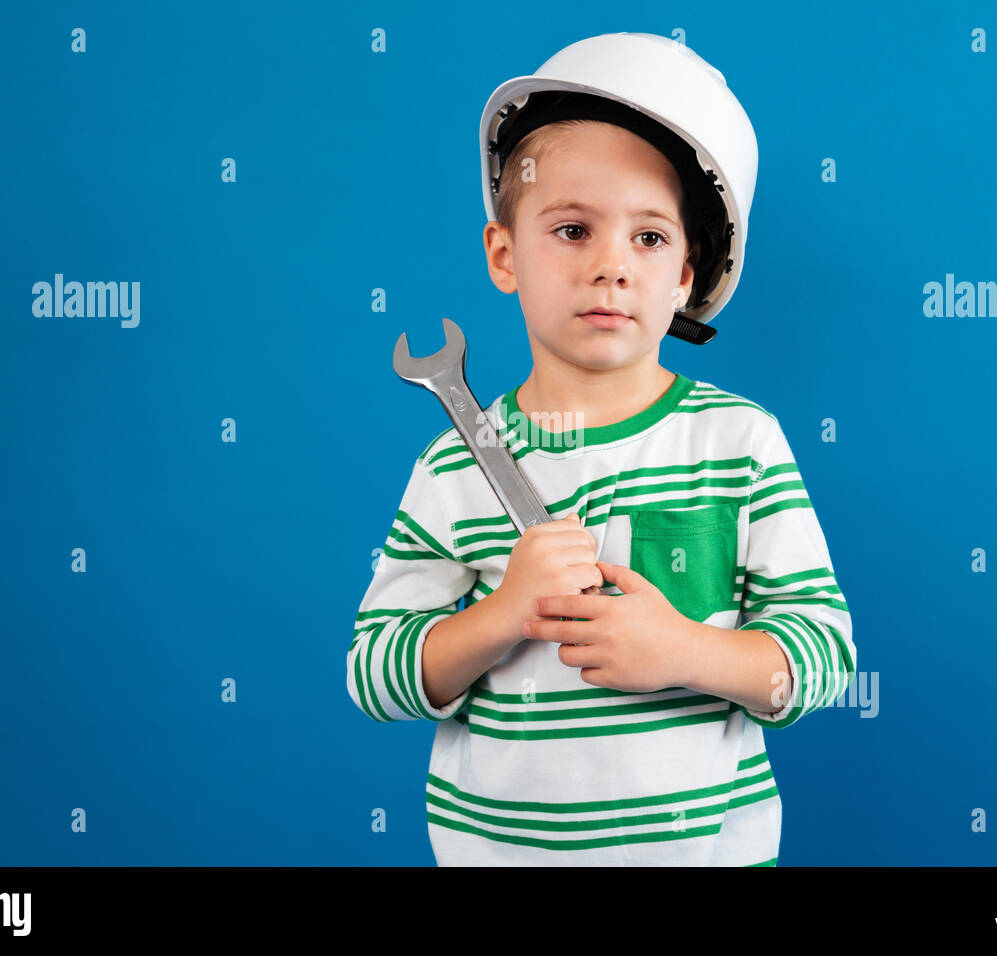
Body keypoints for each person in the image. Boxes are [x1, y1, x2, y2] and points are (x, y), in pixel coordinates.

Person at [348, 32, 855, 866]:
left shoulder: (739, 444)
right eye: (574, 228)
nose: (612, 267)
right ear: (504, 254)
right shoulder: (453, 466)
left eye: (650, 238)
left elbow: (821, 661)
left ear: (688, 274)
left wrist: (681, 649)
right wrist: (501, 615)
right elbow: (375, 678)